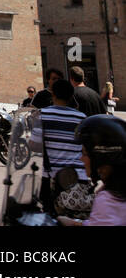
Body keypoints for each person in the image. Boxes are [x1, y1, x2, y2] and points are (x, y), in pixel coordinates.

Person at [32, 79, 89, 215]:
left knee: (51, 215)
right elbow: (85, 148)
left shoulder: (41, 115)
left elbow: (34, 145)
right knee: (76, 215)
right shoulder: (81, 117)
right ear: (71, 96)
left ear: (53, 95)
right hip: (77, 176)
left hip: (51, 178)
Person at [59, 114, 126, 226]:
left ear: (100, 158)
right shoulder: (119, 193)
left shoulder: (108, 200)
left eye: (85, 153)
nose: (81, 158)